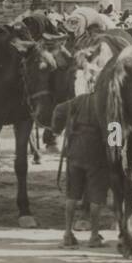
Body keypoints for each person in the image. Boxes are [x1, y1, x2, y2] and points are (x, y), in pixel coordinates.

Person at [54, 92, 109, 248]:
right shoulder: (109, 103)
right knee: (96, 197)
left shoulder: (80, 100)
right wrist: (116, 150)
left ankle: (67, 234)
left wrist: (56, 129)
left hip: (75, 151)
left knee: (72, 194)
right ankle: (94, 236)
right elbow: (115, 127)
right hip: (97, 154)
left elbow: (58, 110)